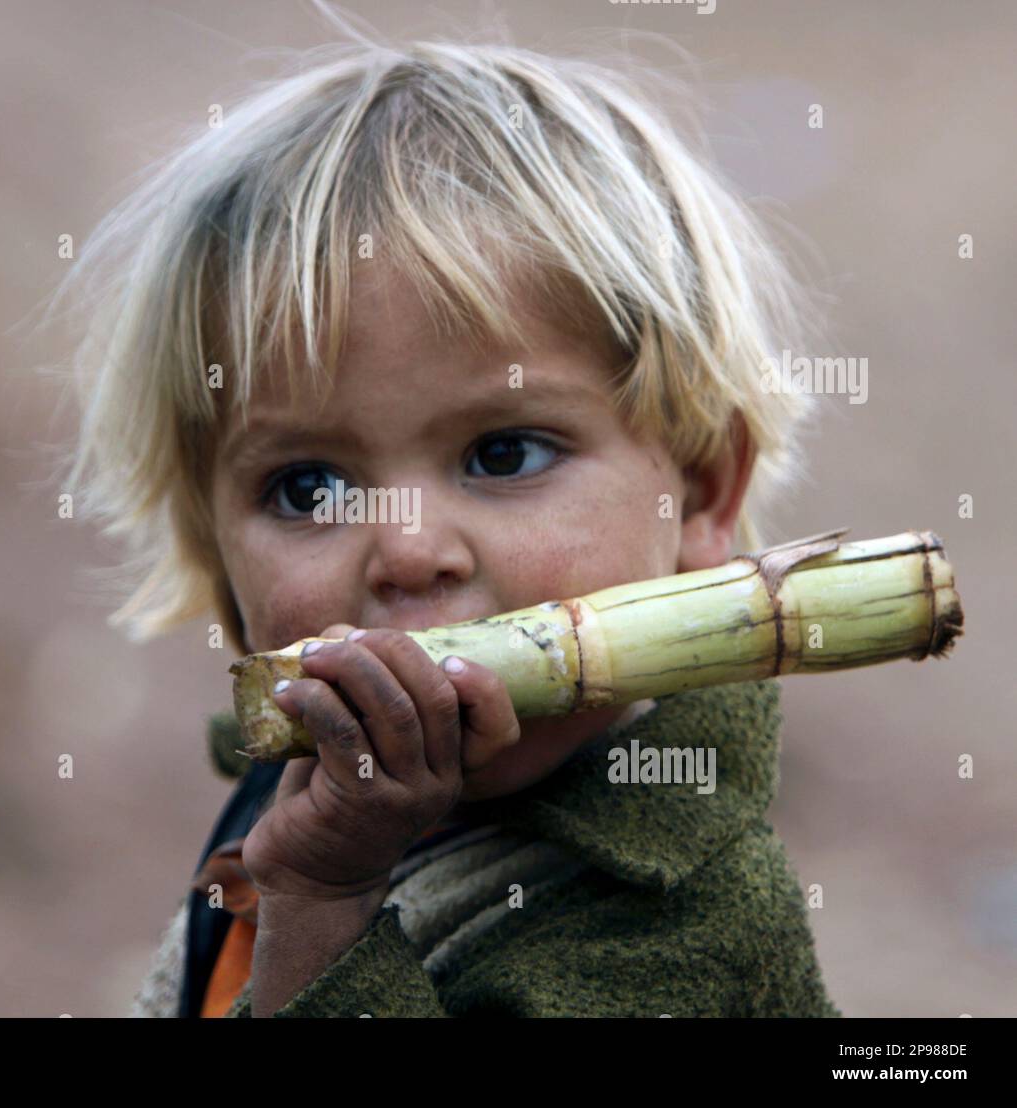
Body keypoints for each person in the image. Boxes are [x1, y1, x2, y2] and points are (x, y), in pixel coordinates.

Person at [62, 37, 839, 1018]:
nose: (408, 550)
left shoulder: (688, 934)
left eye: (503, 454)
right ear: (216, 556)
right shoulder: (294, 787)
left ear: (699, 492)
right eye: (309, 487)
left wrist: (325, 905)